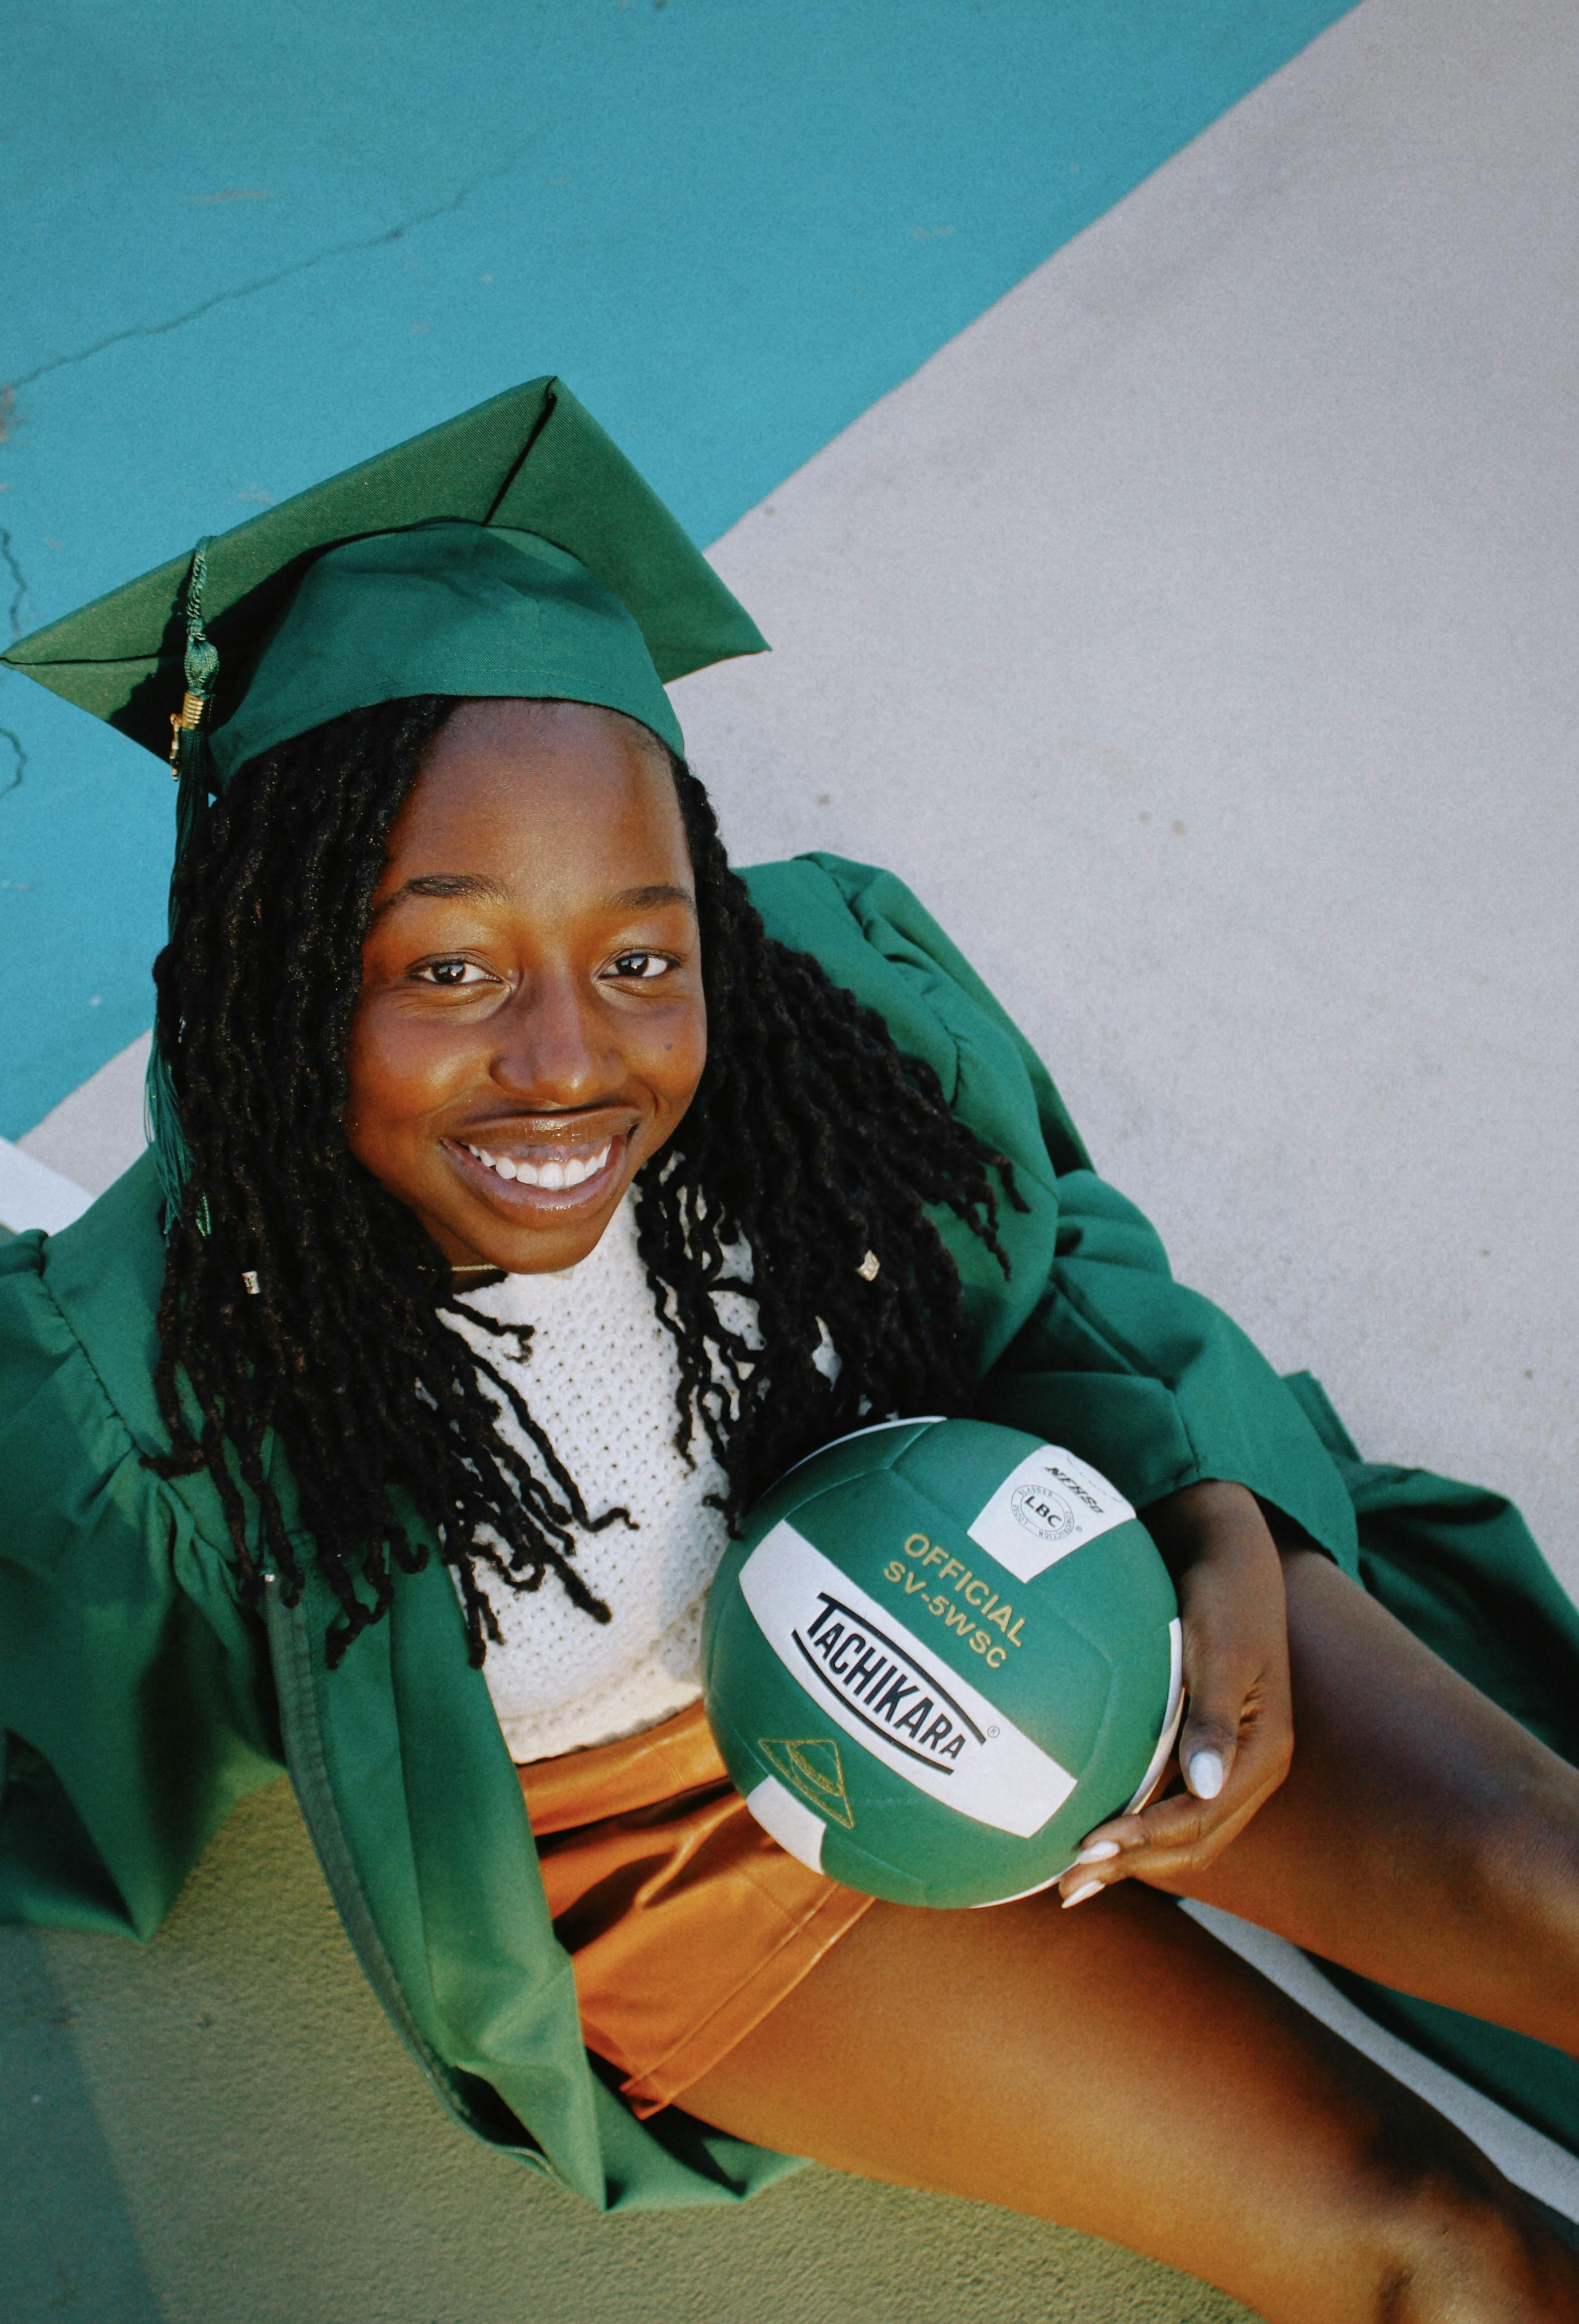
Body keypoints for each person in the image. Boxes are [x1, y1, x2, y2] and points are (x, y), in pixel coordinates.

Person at [3, 377, 1579, 2323]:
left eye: (639, 945)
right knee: (1424, 2239)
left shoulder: (830, 1010)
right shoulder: (148, 1381)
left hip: (1017, 1570)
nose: (567, 1053)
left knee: (1551, 1891)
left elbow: (1055, 1263)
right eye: (444, 963)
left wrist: (1210, 1508)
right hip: (673, 1852)